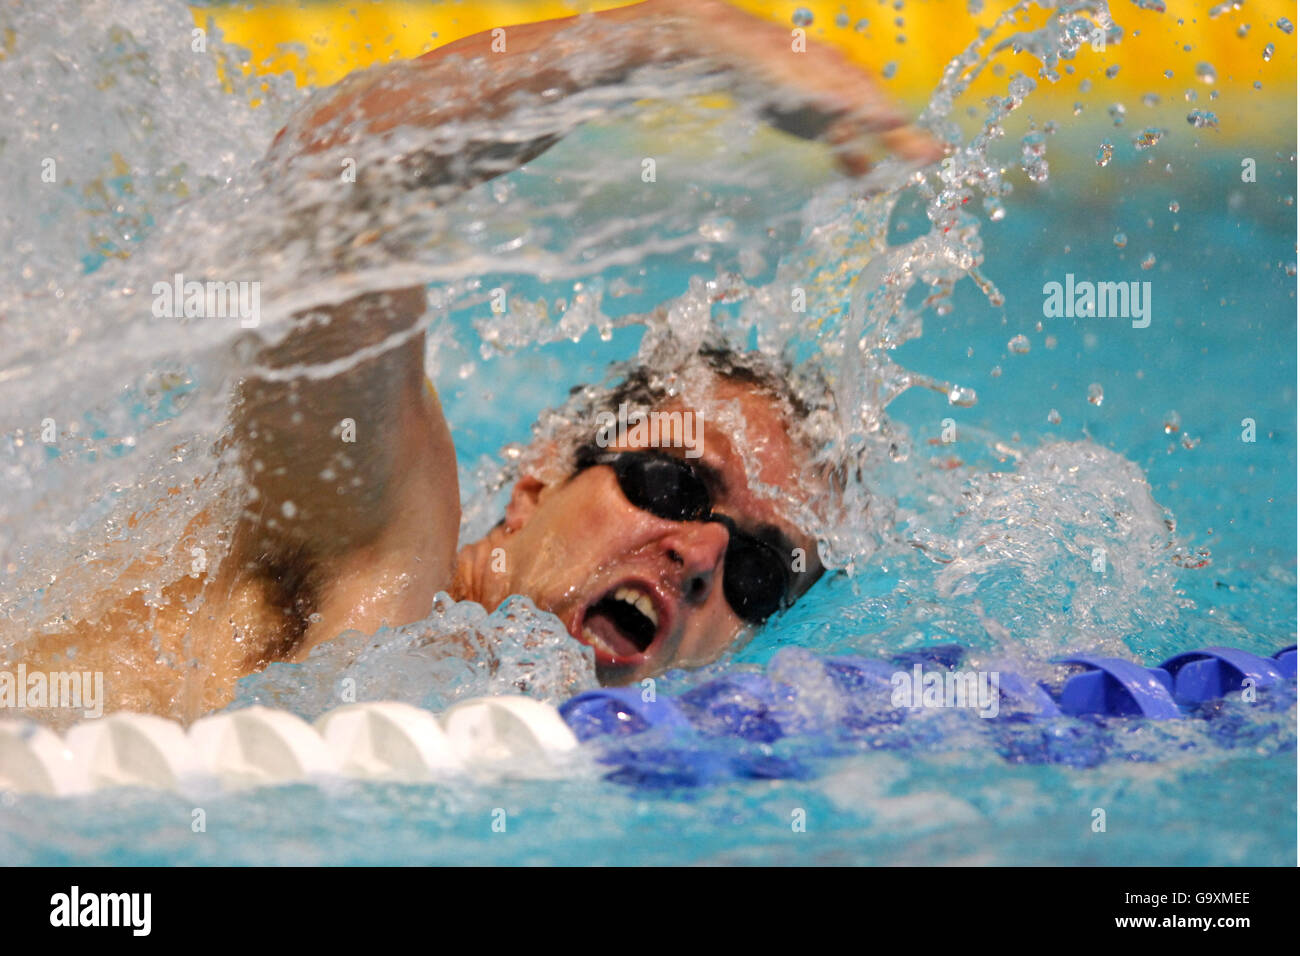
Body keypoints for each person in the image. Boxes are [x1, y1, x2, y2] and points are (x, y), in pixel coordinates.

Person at [16, 0, 941, 719]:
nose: (700, 552)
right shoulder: (382, 564)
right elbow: (333, 175)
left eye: (757, 573)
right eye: (670, 483)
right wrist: (669, 40)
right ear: (539, 478)